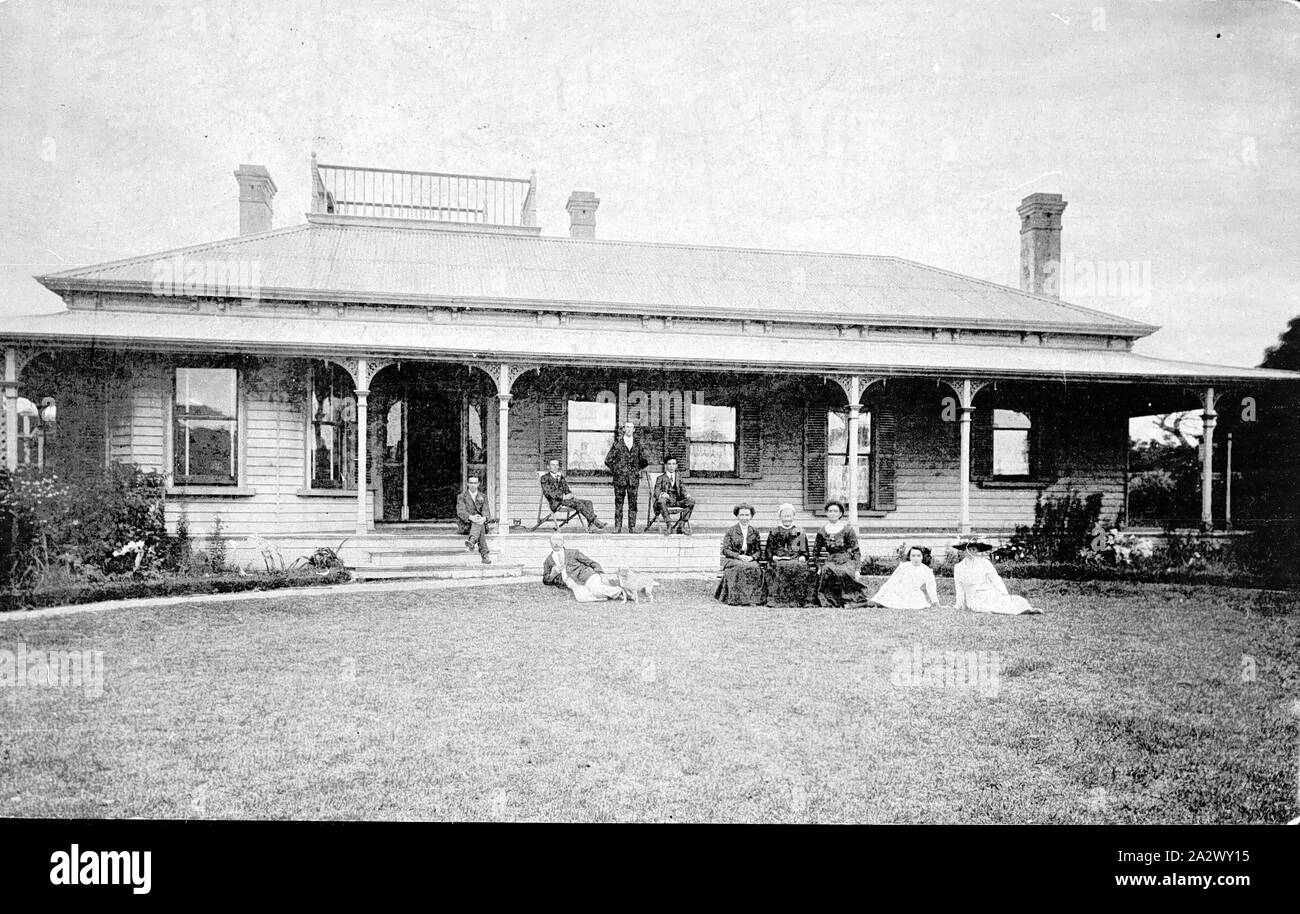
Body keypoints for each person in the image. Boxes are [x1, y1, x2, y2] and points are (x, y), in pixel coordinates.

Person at [952, 539, 1042, 615]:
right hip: (974, 597)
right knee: (987, 605)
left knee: (1007, 600)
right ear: (964, 550)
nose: (971, 552)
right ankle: (1016, 611)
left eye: (974, 549)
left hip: (989, 592)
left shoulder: (985, 563)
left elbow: (996, 579)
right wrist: (960, 605)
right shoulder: (959, 567)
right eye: (969, 549)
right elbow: (959, 588)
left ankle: (1027, 609)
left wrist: (1004, 594)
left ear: (977, 551)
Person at [813, 499, 870, 607]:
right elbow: (816, 551)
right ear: (826, 513)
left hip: (846, 559)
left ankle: (848, 599)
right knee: (827, 570)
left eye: (835, 511)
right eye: (830, 511)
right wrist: (819, 566)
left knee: (844, 572)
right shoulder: (822, 531)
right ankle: (831, 601)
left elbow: (856, 551)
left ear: (840, 513)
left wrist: (858, 569)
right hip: (831, 560)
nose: (833, 513)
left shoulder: (848, 530)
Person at [541, 534, 623, 602]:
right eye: (553, 541)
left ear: (563, 542)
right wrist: (553, 574)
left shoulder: (573, 553)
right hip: (571, 582)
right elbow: (545, 580)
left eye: (558, 540)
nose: (556, 543)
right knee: (581, 597)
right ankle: (606, 596)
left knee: (596, 589)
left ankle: (622, 592)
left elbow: (591, 562)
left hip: (587, 575)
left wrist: (602, 574)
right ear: (550, 543)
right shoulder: (548, 561)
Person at [764, 503, 817, 607]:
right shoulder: (774, 532)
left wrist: (803, 556)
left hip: (795, 558)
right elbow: (769, 550)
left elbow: (804, 550)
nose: (787, 519)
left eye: (789, 516)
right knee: (780, 567)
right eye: (784, 516)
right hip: (779, 559)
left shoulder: (799, 532)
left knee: (798, 567)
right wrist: (773, 557)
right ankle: (780, 600)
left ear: (793, 516)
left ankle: (798, 600)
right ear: (780, 517)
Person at [714, 503, 766, 605]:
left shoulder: (754, 531)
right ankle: (737, 599)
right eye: (742, 515)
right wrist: (738, 556)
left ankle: (753, 599)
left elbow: (758, 551)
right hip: (733, 559)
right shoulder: (731, 531)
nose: (744, 517)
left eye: (747, 515)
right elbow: (725, 550)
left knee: (755, 567)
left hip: (749, 559)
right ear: (737, 516)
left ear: (751, 516)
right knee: (740, 566)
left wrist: (752, 557)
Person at [604, 420, 649, 534]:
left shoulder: (638, 445)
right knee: (619, 503)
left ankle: (632, 527)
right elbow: (608, 460)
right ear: (623, 429)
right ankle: (617, 527)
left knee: (633, 503)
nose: (629, 429)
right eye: (627, 427)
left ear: (634, 430)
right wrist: (617, 471)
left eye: (631, 427)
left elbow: (644, 461)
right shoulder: (617, 444)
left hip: (633, 480)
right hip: (620, 479)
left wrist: (635, 470)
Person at [540, 458, 607, 532]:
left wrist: (569, 494)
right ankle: (595, 521)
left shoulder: (560, 477)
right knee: (578, 504)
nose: (555, 467)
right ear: (548, 467)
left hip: (566, 501)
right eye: (553, 465)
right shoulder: (544, 478)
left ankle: (591, 526)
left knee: (588, 502)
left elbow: (567, 490)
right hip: (555, 503)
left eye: (557, 465)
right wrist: (563, 497)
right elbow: (548, 493)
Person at [869, 545, 939, 609]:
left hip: (913, 594)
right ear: (910, 557)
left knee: (913, 604)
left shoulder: (926, 570)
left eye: (918, 556)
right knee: (882, 599)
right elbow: (892, 580)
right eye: (913, 556)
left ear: (922, 557)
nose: (916, 558)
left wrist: (935, 602)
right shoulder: (904, 566)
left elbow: (931, 586)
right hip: (899, 591)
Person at [455, 474, 495, 564]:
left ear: (478, 484)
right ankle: (484, 555)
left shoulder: (483, 496)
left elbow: (486, 512)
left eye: (475, 483)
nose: (473, 485)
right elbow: (460, 512)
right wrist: (472, 518)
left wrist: (483, 518)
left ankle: (472, 541)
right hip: (466, 526)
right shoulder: (461, 496)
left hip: (479, 523)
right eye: (471, 483)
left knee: (479, 523)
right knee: (479, 525)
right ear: (467, 484)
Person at [648, 457, 695, 535]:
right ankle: (669, 525)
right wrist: (662, 494)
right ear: (666, 465)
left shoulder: (678, 477)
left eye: (673, 464)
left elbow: (682, 489)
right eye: (669, 464)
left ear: (676, 466)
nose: (671, 466)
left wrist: (686, 495)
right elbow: (656, 492)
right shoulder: (660, 478)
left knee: (691, 501)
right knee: (661, 500)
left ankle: (681, 526)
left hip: (676, 502)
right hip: (665, 502)